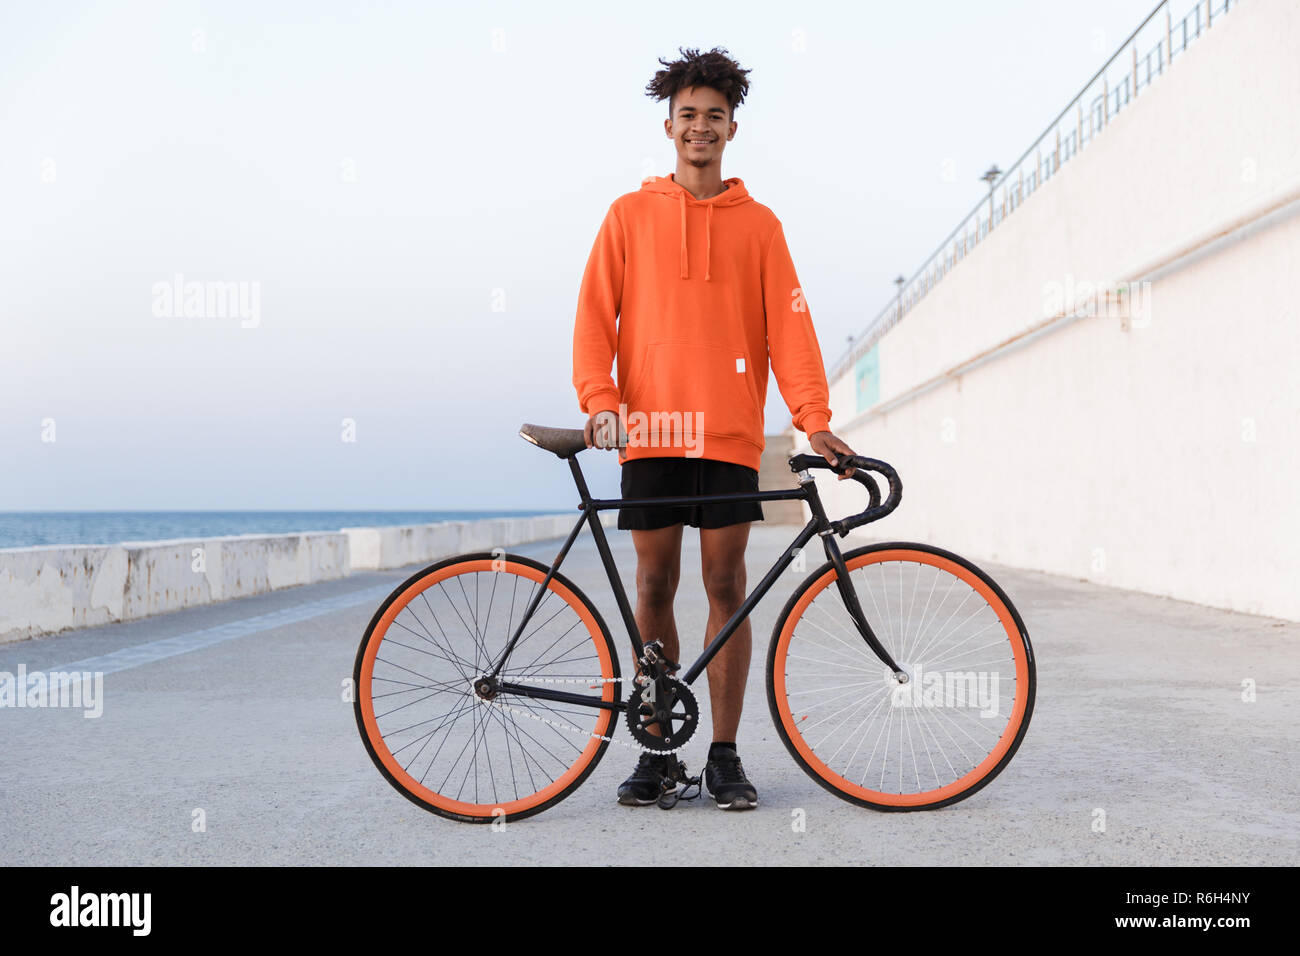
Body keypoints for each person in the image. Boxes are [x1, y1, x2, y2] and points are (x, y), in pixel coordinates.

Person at [571, 46, 857, 811]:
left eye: (715, 116)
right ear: (669, 126)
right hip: (651, 430)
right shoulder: (628, 216)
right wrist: (601, 399)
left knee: (726, 586)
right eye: (689, 115)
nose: (701, 127)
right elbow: (594, 318)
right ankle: (659, 749)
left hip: (727, 432)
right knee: (654, 584)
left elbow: (791, 331)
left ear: (733, 128)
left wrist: (814, 421)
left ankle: (724, 754)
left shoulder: (760, 226)